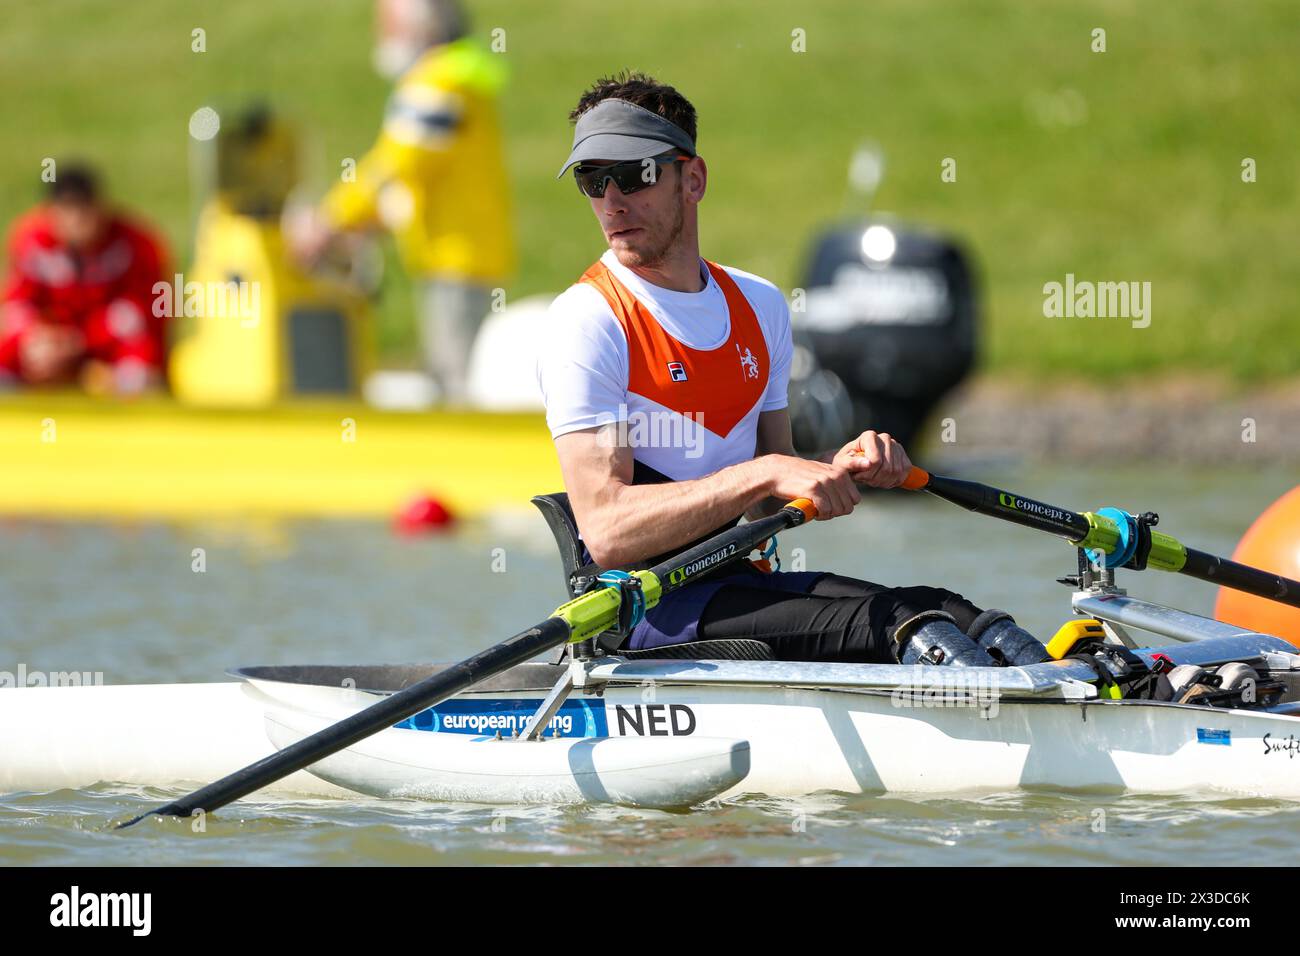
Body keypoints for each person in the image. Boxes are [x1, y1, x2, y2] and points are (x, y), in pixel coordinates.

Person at [535, 72, 1048, 667]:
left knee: (961, 615)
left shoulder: (760, 306)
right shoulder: (588, 320)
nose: (612, 201)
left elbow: (764, 510)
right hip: (648, 612)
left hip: (740, 585)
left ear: (692, 178)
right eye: (592, 181)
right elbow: (607, 533)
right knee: (913, 626)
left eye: (634, 174)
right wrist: (767, 472)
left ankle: (1090, 697)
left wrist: (840, 467)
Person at [293, 0, 514, 403]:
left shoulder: (439, 82)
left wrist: (330, 220)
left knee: (457, 390)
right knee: (453, 381)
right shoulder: (460, 73)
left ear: (421, 28)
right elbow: (415, 176)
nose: (382, 34)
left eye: (389, 23)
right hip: (462, 254)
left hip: (456, 259)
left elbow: (398, 165)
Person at [1, 165, 169, 394]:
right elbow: (16, 305)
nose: (77, 219)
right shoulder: (32, 240)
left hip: (106, 345)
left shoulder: (135, 244)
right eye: (68, 209)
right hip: (49, 344)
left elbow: (141, 313)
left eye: (84, 208)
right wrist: (35, 338)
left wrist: (83, 341)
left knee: (142, 358)